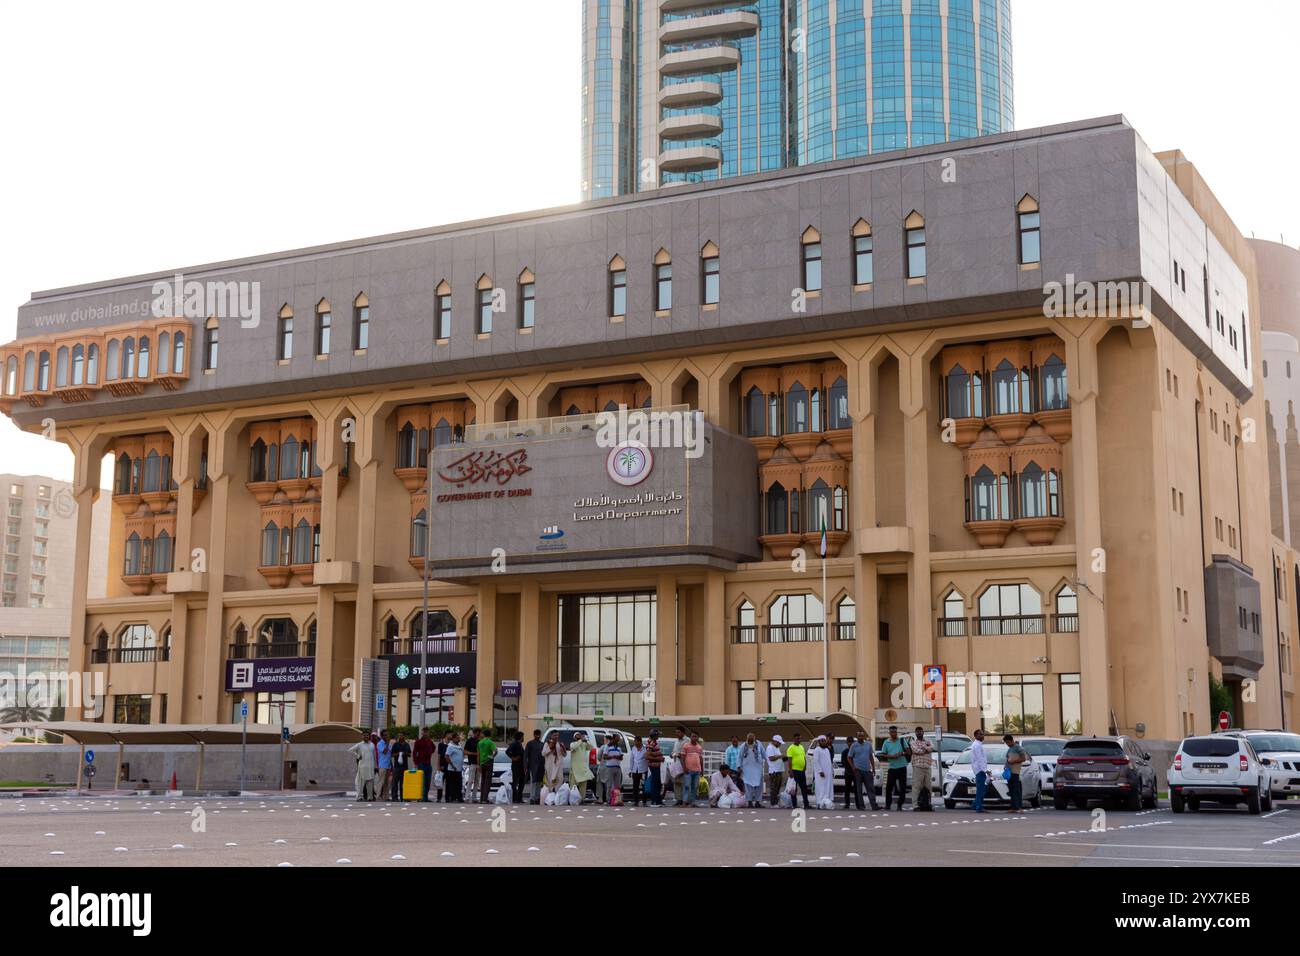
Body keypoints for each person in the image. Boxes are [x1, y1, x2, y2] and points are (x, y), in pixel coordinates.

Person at [879, 725, 910, 812]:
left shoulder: (901, 740)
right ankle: (888, 805)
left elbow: (908, 751)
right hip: (892, 767)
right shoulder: (886, 742)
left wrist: (901, 754)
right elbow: (882, 754)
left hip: (902, 766)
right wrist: (891, 756)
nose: (894, 733)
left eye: (895, 732)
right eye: (892, 732)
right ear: (889, 733)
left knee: (902, 787)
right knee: (889, 787)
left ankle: (899, 805)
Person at [846, 730, 879, 811]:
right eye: (859, 736)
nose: (861, 737)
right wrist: (853, 767)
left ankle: (874, 805)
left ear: (864, 736)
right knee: (859, 789)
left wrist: (873, 768)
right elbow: (849, 757)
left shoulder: (868, 744)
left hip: (867, 770)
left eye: (862, 736)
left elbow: (871, 756)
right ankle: (861, 806)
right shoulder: (854, 745)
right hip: (858, 770)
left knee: (870, 788)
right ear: (857, 737)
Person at [910, 727, 935, 811]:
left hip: (927, 767)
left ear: (923, 732)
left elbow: (931, 748)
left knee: (928, 787)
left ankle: (927, 804)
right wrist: (926, 748)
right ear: (915, 733)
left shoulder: (929, 740)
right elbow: (916, 751)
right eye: (917, 732)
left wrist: (924, 747)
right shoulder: (913, 742)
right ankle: (915, 805)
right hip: (917, 766)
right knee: (916, 786)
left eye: (921, 731)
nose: (919, 733)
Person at [1002, 733, 1028, 813]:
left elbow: (1023, 758)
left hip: (1015, 771)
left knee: (1017, 790)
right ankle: (1013, 807)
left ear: (1012, 740)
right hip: (1009, 772)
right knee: (1011, 790)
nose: (1007, 744)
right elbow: (1007, 759)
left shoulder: (1018, 748)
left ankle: (1019, 807)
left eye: (1008, 742)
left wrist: (1013, 761)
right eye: (1006, 743)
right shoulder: (1009, 749)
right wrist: (1006, 766)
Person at [739, 734, 766, 808]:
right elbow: (740, 757)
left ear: (754, 739)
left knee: (759, 787)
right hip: (747, 770)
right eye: (749, 740)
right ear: (747, 739)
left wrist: (769, 763)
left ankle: (757, 802)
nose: (750, 741)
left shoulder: (759, 744)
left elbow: (764, 754)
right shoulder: (743, 746)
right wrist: (739, 767)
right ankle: (750, 802)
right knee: (748, 787)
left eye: (752, 740)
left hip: (758, 769)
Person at [785, 733, 810, 809]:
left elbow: (803, 757)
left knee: (804, 788)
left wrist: (805, 766)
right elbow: (789, 760)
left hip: (801, 771)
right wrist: (790, 770)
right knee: (794, 789)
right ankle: (794, 804)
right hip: (794, 771)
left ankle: (806, 804)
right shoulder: (791, 748)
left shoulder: (802, 747)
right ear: (794, 739)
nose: (799, 740)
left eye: (800, 738)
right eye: (797, 738)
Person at [349, 734, 376, 801]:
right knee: (361, 783)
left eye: (367, 735)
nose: (366, 737)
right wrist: (358, 756)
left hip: (370, 766)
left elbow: (374, 755)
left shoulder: (372, 744)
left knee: (370, 782)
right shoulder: (359, 744)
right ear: (362, 736)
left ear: (369, 736)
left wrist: (375, 766)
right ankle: (359, 797)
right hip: (362, 767)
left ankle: (370, 797)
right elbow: (350, 750)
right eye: (364, 735)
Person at [680, 733, 704, 807]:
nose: (694, 738)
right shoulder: (686, 746)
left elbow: (700, 758)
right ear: (690, 737)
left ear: (698, 738)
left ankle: (693, 802)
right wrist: (684, 768)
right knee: (687, 786)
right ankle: (684, 802)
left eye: (695, 736)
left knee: (695, 787)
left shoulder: (699, 747)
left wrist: (702, 770)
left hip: (697, 770)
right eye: (692, 736)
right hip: (688, 770)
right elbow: (682, 757)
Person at [811, 735, 835, 808]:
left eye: (824, 740)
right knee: (821, 788)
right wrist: (820, 771)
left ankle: (826, 801)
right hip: (820, 774)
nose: (824, 742)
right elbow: (815, 761)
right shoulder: (817, 750)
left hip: (828, 773)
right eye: (822, 741)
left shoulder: (827, 750)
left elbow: (829, 762)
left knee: (827, 787)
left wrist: (832, 771)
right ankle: (820, 802)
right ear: (819, 742)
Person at [570, 731, 594, 801]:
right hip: (575, 769)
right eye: (577, 735)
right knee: (573, 786)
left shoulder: (584, 744)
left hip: (583, 769)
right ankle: (572, 799)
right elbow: (574, 747)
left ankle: (581, 799)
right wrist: (581, 740)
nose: (579, 736)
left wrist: (586, 741)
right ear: (574, 737)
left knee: (583, 786)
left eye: (580, 735)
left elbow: (591, 747)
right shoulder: (573, 743)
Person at [413, 728, 435, 802]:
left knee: (428, 782)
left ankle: (425, 797)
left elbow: (434, 748)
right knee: (422, 782)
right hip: (421, 764)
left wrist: (429, 753)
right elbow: (414, 752)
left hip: (428, 764)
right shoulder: (418, 742)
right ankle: (422, 797)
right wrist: (416, 763)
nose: (426, 734)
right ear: (422, 733)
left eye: (427, 732)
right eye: (424, 732)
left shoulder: (430, 741)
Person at [525, 729, 546, 803]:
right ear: (534, 735)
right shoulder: (530, 744)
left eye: (539, 734)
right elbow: (526, 755)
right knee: (533, 782)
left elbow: (544, 755)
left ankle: (537, 798)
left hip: (541, 766)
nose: (538, 736)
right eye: (536, 734)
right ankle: (532, 798)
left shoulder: (542, 744)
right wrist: (525, 766)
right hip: (532, 766)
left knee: (539, 782)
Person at [477, 730, 498, 803]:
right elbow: (495, 751)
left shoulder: (480, 742)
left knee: (482, 781)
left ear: (483, 734)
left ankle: (481, 798)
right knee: (488, 781)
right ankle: (485, 799)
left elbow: (478, 754)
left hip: (482, 763)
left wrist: (478, 764)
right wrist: (492, 756)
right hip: (488, 762)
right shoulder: (490, 742)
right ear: (490, 734)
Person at [645, 731, 665, 806]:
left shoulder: (654, 742)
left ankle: (658, 800)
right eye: (657, 735)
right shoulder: (651, 743)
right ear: (654, 736)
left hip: (657, 765)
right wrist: (659, 759)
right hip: (653, 765)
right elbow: (647, 756)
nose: (658, 736)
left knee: (658, 783)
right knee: (655, 783)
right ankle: (654, 801)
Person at [602, 734, 624, 804]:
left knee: (617, 785)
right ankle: (609, 800)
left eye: (619, 739)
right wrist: (613, 756)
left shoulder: (619, 747)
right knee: (609, 785)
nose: (618, 741)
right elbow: (604, 757)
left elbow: (621, 758)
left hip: (617, 767)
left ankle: (617, 800)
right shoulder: (607, 746)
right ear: (613, 739)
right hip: (609, 768)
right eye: (617, 739)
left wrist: (619, 757)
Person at [506, 731, 527, 804]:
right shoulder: (514, 744)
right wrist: (513, 758)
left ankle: (519, 798)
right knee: (515, 782)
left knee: (522, 782)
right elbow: (507, 751)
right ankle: (515, 798)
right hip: (516, 766)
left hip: (521, 766)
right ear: (520, 737)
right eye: (523, 736)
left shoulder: (520, 744)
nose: (523, 738)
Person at [971, 729, 989, 813]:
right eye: (980, 734)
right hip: (980, 770)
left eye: (983, 734)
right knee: (981, 790)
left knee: (981, 789)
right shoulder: (977, 745)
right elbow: (979, 759)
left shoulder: (978, 744)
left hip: (979, 769)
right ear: (976, 736)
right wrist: (985, 770)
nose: (982, 736)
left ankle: (975, 804)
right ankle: (978, 807)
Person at [765, 735, 786, 807]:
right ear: (775, 741)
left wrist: (783, 758)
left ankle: (776, 802)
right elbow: (771, 758)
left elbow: (777, 757)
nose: (780, 744)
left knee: (778, 788)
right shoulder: (770, 748)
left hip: (779, 770)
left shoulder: (776, 748)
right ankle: (773, 803)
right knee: (774, 788)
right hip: (774, 771)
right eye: (779, 743)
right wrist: (780, 756)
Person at [390, 731, 411, 801]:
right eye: (399, 736)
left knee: (404, 783)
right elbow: (392, 755)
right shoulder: (395, 745)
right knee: (395, 783)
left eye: (402, 736)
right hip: (397, 766)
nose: (400, 737)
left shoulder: (407, 745)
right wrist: (398, 754)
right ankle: (394, 797)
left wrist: (406, 753)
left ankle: (403, 797)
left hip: (405, 766)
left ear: (404, 736)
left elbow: (410, 755)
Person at [670, 728, 689, 805]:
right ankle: (678, 800)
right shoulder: (676, 741)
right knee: (677, 783)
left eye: (678, 732)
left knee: (684, 783)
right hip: (676, 764)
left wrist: (678, 754)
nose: (677, 734)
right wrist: (672, 754)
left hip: (684, 764)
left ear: (683, 732)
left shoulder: (687, 740)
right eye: (676, 732)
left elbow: (687, 752)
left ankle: (685, 800)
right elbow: (674, 751)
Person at [628, 736, 648, 807]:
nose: (635, 743)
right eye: (634, 741)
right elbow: (631, 760)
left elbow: (647, 758)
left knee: (644, 787)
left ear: (640, 741)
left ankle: (644, 801)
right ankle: (636, 801)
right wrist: (630, 770)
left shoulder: (645, 748)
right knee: (635, 786)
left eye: (636, 741)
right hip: (635, 770)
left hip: (643, 770)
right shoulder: (633, 748)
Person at [444, 733, 465, 802]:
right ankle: (452, 798)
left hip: (459, 769)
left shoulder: (459, 746)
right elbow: (446, 756)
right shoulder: (450, 746)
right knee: (452, 784)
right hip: (452, 769)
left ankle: (459, 797)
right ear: (453, 739)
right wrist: (452, 765)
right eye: (457, 738)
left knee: (459, 784)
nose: (459, 739)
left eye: (459, 738)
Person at [375, 730, 393, 802]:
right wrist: (388, 743)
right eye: (385, 735)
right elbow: (385, 752)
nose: (387, 736)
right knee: (381, 781)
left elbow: (390, 754)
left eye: (387, 735)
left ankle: (386, 797)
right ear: (382, 736)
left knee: (387, 782)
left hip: (388, 765)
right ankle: (378, 796)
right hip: (382, 765)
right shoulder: (380, 744)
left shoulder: (388, 744)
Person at [464, 728, 481, 803]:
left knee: (477, 781)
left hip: (479, 763)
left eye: (479, 734)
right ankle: (467, 797)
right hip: (472, 763)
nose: (479, 735)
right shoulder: (469, 741)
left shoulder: (480, 741)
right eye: (477, 733)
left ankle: (474, 797)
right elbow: (465, 751)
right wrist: (474, 754)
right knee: (470, 780)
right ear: (474, 733)